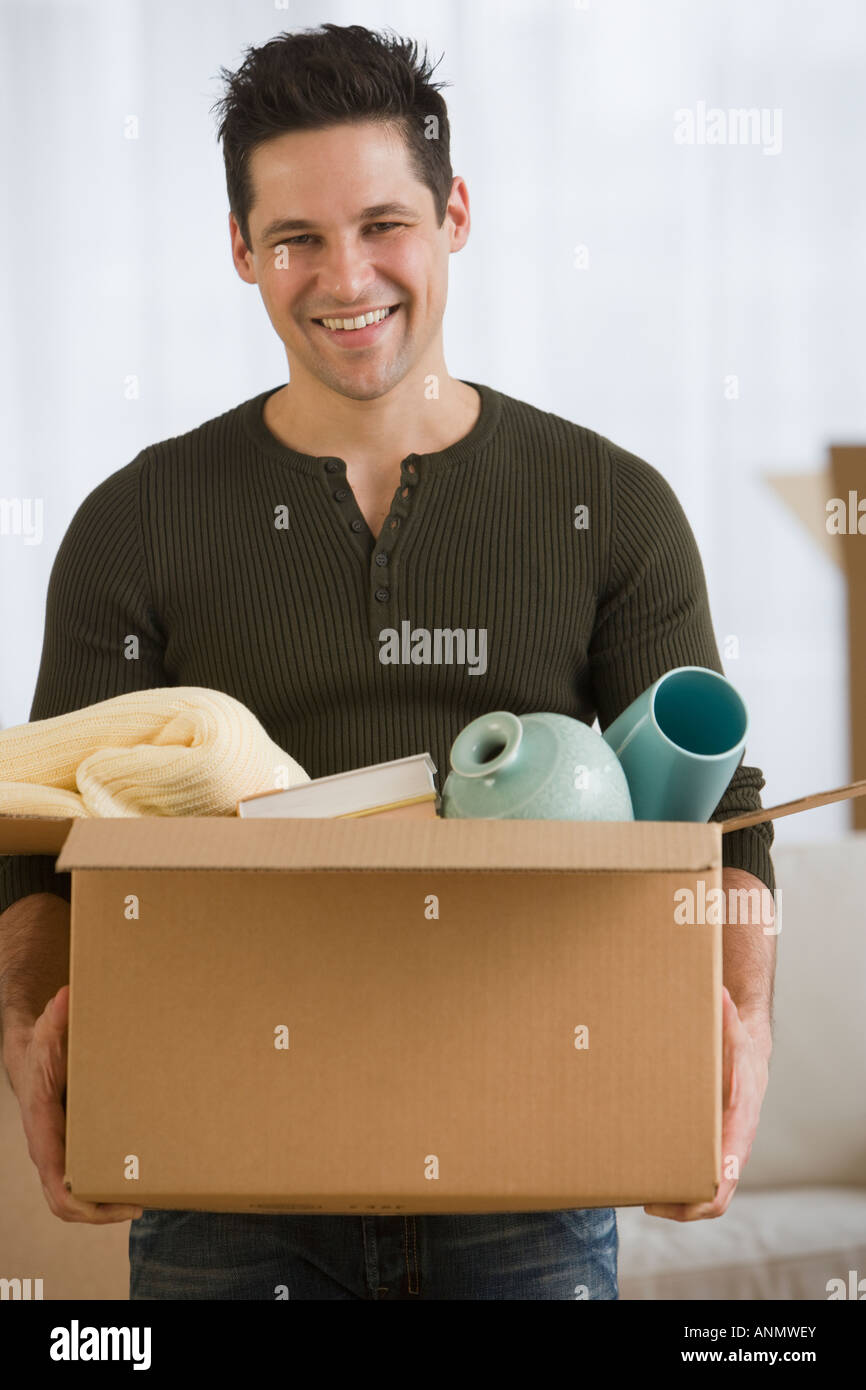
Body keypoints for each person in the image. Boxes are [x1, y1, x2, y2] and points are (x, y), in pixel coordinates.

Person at [0, 22, 775, 1301]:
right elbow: (39, 833)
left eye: (383, 224)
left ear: (454, 212)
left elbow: (722, 821)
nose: (343, 274)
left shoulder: (608, 504)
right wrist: (34, 1038)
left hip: (531, 1157)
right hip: (219, 1172)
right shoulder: (133, 522)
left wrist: (739, 1037)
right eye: (294, 237)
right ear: (240, 250)